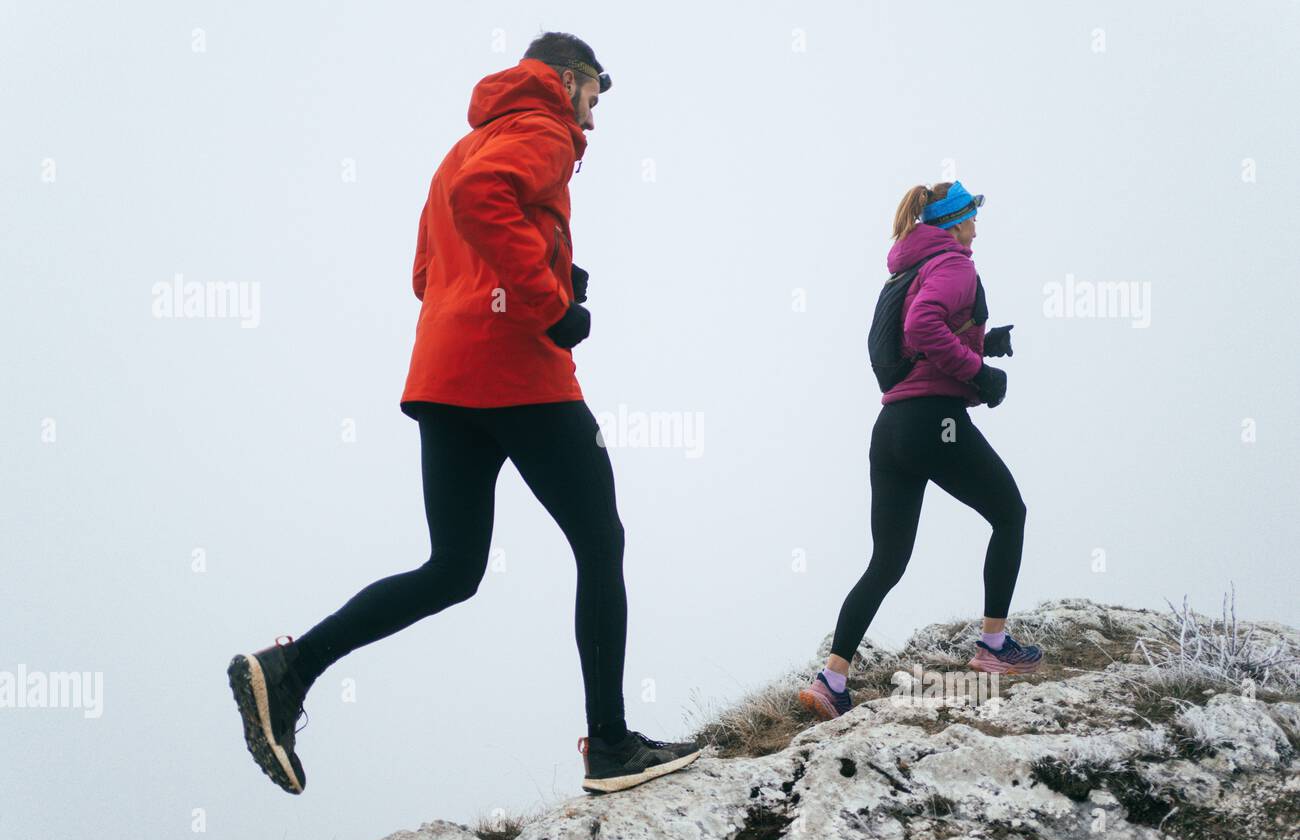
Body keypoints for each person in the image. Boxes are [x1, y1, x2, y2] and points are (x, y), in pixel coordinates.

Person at [227, 32, 700, 795]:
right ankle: (610, 745)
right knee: (600, 539)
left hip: (446, 377)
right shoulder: (544, 128)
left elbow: (427, 272)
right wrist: (550, 303)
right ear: (569, 80)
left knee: (452, 568)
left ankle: (288, 671)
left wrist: (535, 267)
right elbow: (480, 202)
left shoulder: (464, 144)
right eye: (595, 97)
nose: (594, 119)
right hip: (519, 372)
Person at [799, 181, 1041, 721]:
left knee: (886, 561)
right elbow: (923, 326)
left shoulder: (910, 268)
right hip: (937, 422)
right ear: (955, 221)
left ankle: (831, 681)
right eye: (974, 214)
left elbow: (921, 337)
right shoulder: (954, 264)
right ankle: (995, 649)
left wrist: (985, 340)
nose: (978, 224)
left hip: (891, 430)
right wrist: (979, 372)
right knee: (1010, 514)